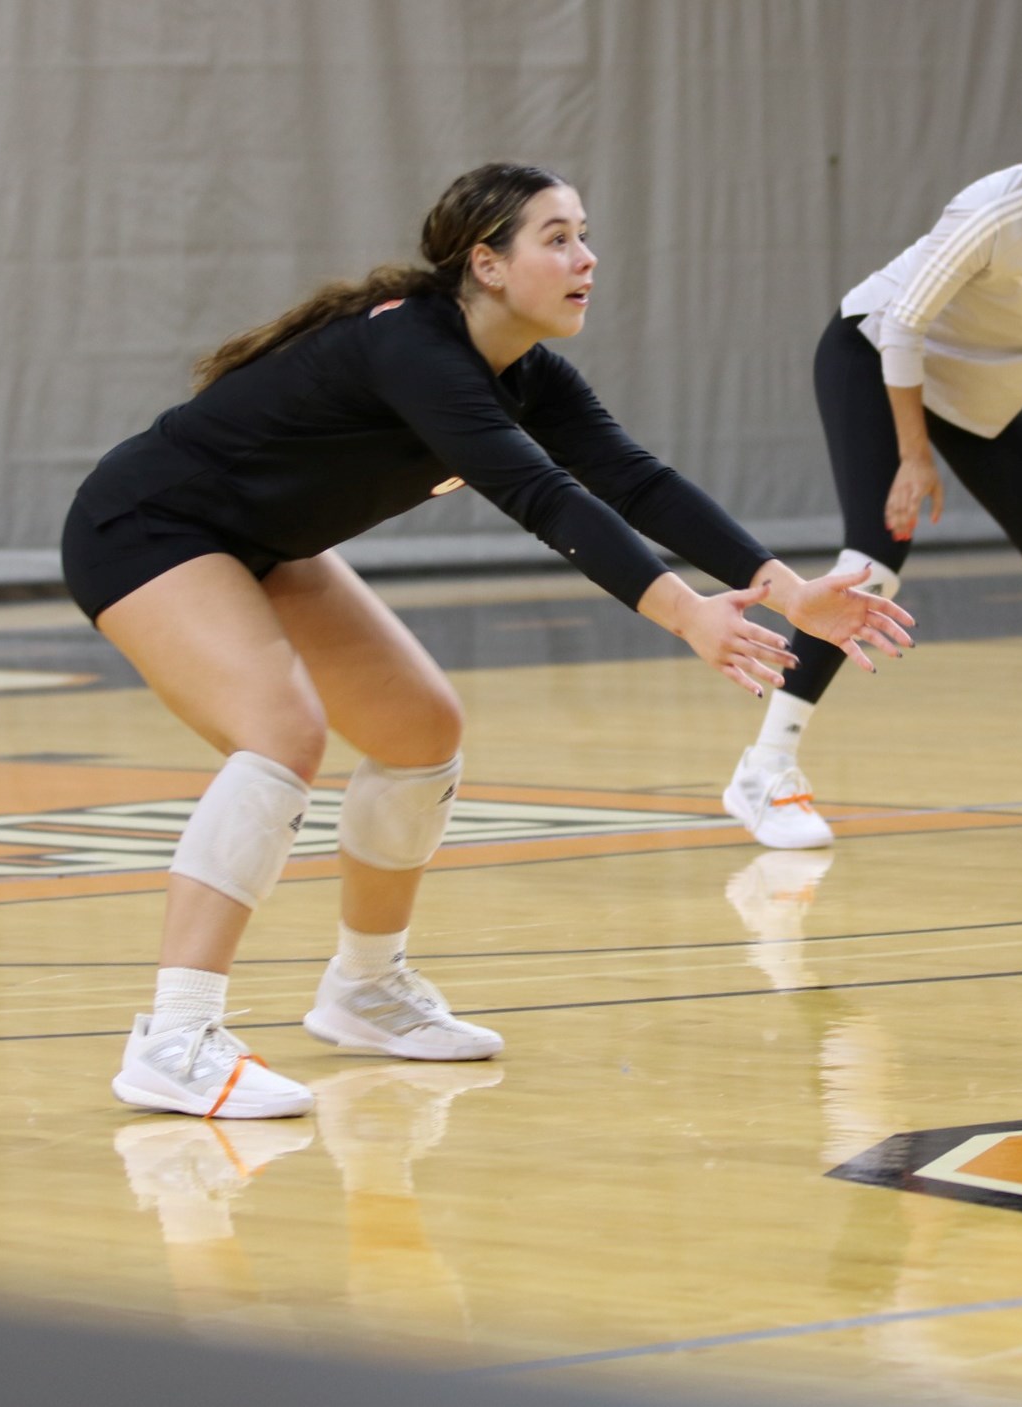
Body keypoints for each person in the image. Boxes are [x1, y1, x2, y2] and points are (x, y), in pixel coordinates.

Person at [62, 162, 916, 1118]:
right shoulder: (413, 349)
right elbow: (542, 496)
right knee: (282, 735)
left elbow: (633, 478)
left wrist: (786, 590)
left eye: (585, 234)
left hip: (262, 544)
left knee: (421, 733)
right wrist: (686, 613)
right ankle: (175, 1037)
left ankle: (366, 990)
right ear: (489, 264)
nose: (586, 256)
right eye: (557, 238)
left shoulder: (526, 372)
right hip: (145, 529)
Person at [719, 63, 1022, 850]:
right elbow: (906, 324)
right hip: (875, 353)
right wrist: (913, 455)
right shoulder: (1002, 208)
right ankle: (763, 770)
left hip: (976, 394)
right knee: (874, 557)